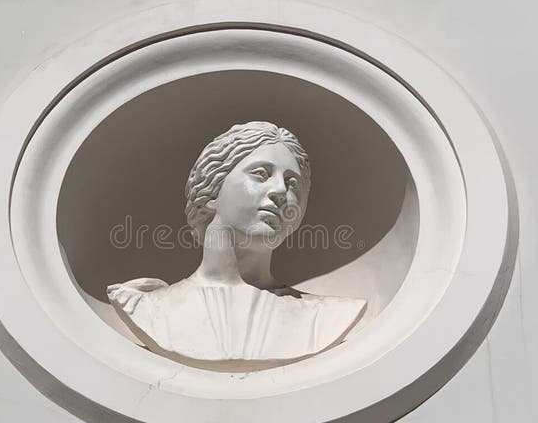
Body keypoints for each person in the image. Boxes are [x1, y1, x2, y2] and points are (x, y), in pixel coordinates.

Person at [108, 121, 365, 370]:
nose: (279, 190)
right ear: (211, 191)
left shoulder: (324, 317)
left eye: (292, 184)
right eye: (261, 174)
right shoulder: (150, 309)